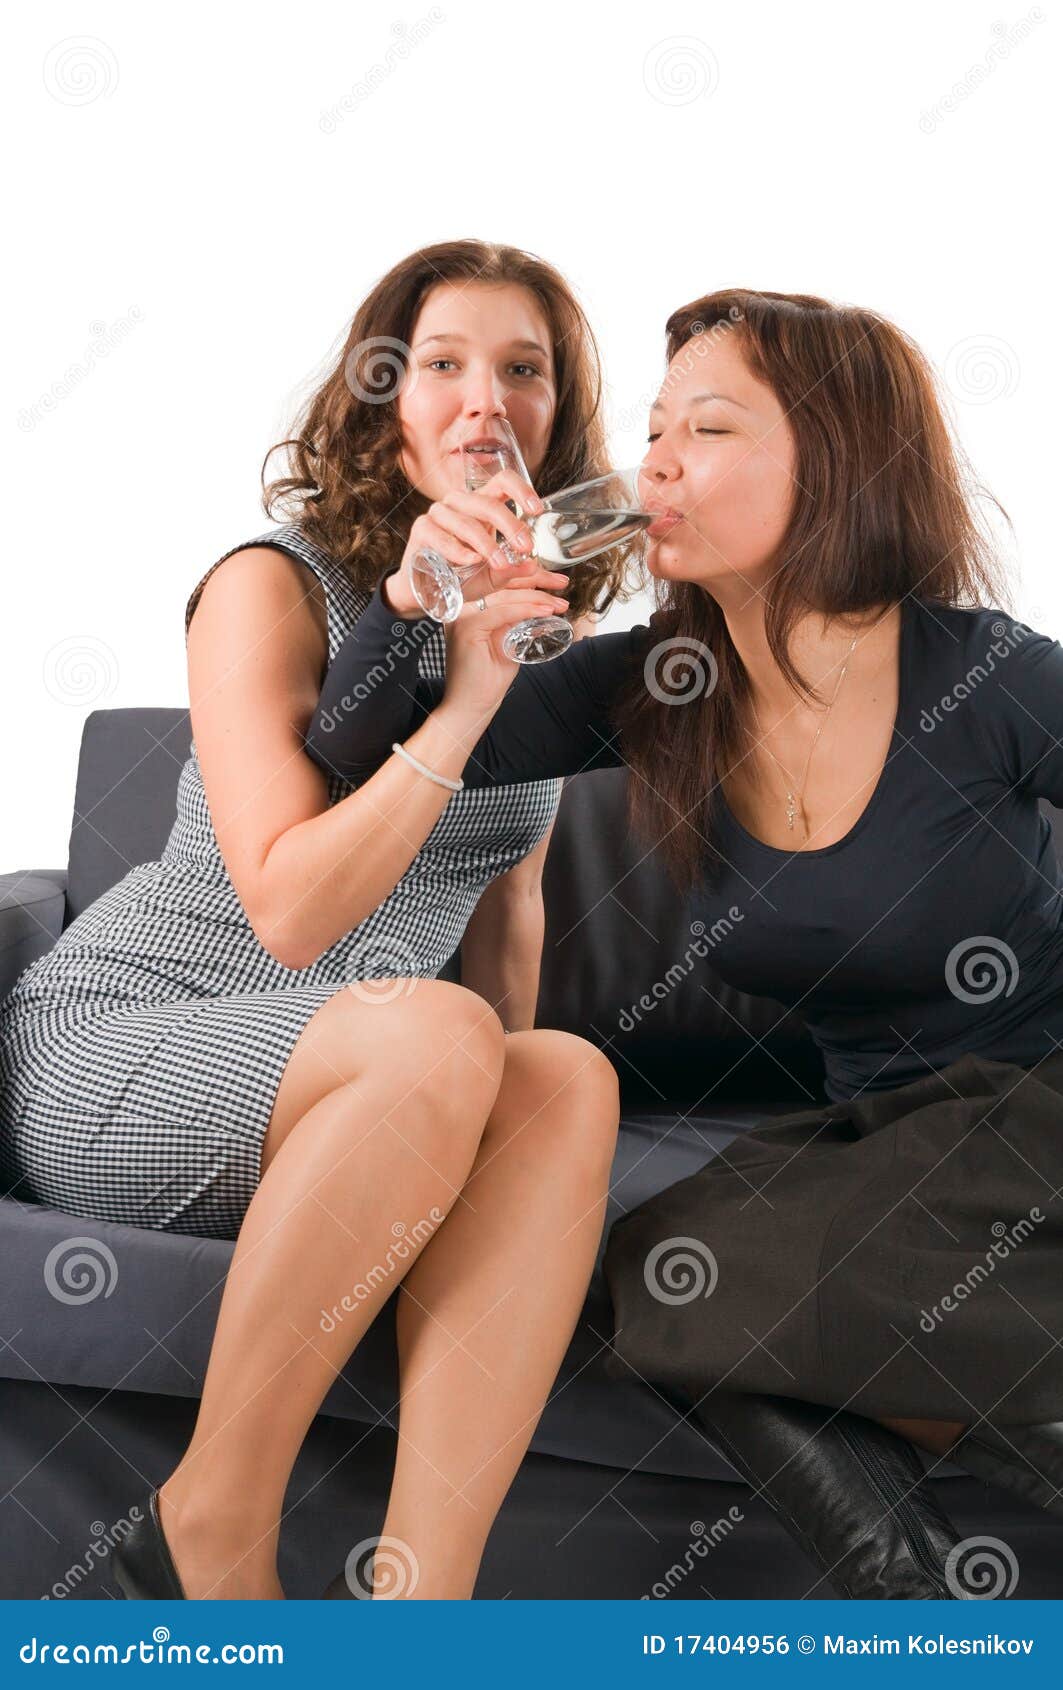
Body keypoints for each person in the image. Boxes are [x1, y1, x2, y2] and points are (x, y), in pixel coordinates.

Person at [301, 286, 1063, 1600]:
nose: (651, 464)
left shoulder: (983, 675)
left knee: (729, 1282)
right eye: (652, 430)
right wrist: (413, 598)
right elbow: (353, 747)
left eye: (705, 430)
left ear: (835, 462)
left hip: (1034, 1114)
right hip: (882, 1147)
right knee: (653, 1278)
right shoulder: (661, 689)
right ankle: (925, 1601)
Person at [0, 239, 626, 1600]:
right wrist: (460, 704)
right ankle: (209, 1520)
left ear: (557, 414)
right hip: (131, 1044)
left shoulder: (546, 635)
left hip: (367, 1079)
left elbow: (506, 918)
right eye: (444, 363)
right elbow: (288, 909)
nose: (486, 399)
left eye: (523, 370)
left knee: (565, 1079)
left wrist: (482, 1145)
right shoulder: (271, 584)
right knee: (437, 1034)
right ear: (384, 401)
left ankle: (420, 1606)